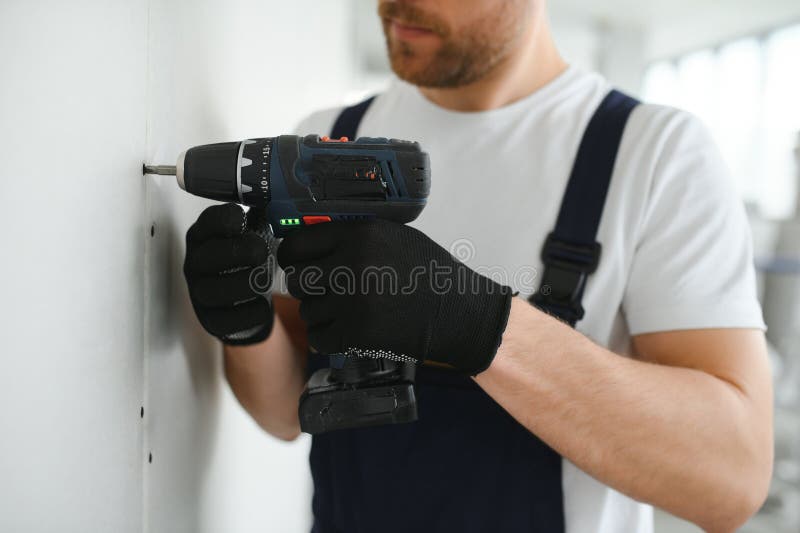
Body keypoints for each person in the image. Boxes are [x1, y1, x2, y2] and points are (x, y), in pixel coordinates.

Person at [182, 1, 774, 531]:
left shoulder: (655, 154)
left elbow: (730, 482)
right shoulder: (331, 139)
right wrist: (246, 327)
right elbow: (287, 412)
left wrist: (471, 320)